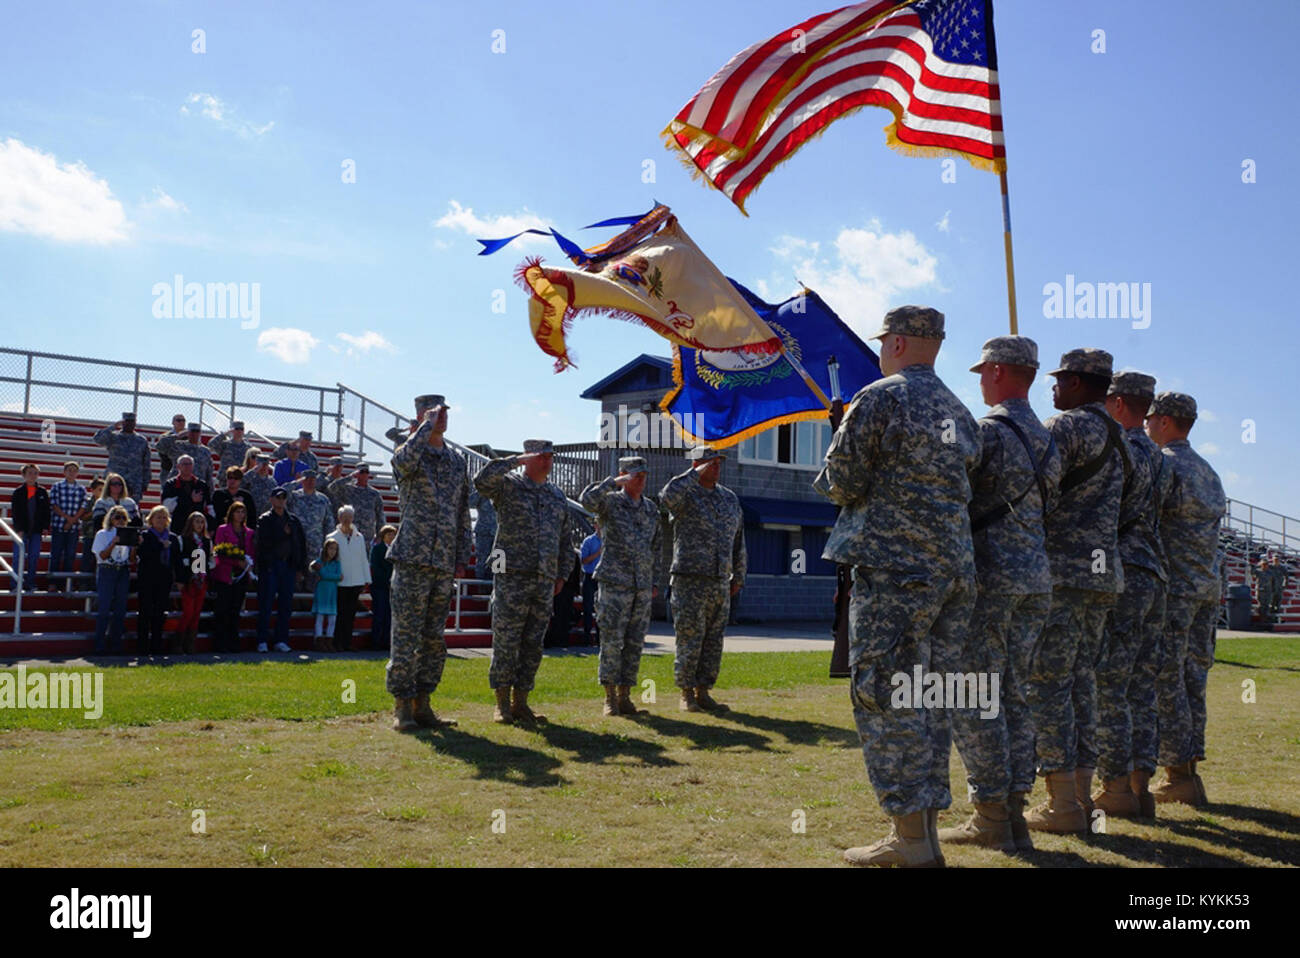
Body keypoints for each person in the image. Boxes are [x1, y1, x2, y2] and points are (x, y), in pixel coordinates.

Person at [813, 305, 978, 868]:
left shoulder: (880, 396)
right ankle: (920, 837)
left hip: (894, 569)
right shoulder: (960, 410)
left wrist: (841, 437)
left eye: (885, 341)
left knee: (887, 697)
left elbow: (843, 482)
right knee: (929, 698)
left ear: (901, 343)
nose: (881, 349)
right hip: (952, 573)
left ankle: (910, 841)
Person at [937, 337, 1059, 854]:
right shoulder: (1050, 440)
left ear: (1002, 372)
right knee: (1014, 695)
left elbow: (951, 488)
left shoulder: (987, 431)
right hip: (1035, 578)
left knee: (974, 693)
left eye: (984, 370)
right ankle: (1012, 810)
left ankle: (990, 813)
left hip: (989, 578)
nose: (979, 379)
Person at [1025, 348, 1127, 835]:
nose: (1054, 387)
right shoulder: (1119, 435)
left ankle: (1061, 804)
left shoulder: (1066, 428)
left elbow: (1033, 485)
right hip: (1102, 576)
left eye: (1062, 379)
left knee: (1048, 685)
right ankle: (1081, 798)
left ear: (1083, 383)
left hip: (1063, 573)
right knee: (1082, 685)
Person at [1093, 371, 1172, 819]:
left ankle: (1116, 787)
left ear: (1119, 404)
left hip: (1122, 569)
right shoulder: (1158, 455)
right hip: (1154, 571)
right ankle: (1140, 787)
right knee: (1141, 687)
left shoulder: (1118, 448)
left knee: (1111, 685)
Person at [1146, 391, 1226, 806]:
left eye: (1150, 418)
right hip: (1205, 591)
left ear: (1165, 421)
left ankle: (1177, 774)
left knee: (1166, 679)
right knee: (1193, 680)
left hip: (1174, 589)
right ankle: (1188, 772)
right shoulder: (1208, 471)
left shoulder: (1165, 466)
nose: (1145, 424)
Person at [387, 395, 471, 731]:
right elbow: (403, 462)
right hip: (411, 558)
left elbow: (462, 511)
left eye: (445, 412)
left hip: (442, 561)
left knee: (434, 638)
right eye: (435, 413)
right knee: (406, 635)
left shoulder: (455, 461)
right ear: (420, 417)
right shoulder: (410, 452)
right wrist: (422, 428)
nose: (442, 418)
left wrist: (462, 555)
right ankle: (402, 707)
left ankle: (424, 703)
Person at [475, 438, 572, 725]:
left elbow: (565, 539)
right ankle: (502, 703)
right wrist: (513, 462)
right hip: (511, 574)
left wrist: (562, 573)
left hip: (544, 578)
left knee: (533, 643)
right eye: (540, 457)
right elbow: (481, 481)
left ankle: (522, 702)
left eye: (549, 457)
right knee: (507, 640)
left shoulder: (557, 496)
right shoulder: (509, 485)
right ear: (527, 459)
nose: (547, 462)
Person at [661, 446, 745, 714]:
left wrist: (739, 575)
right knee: (689, 638)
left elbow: (738, 540)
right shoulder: (686, 493)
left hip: (719, 580)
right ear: (697, 464)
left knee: (713, 641)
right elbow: (666, 497)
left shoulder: (729, 499)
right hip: (690, 581)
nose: (716, 467)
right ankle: (686, 694)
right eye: (710, 463)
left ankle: (703, 691)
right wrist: (694, 473)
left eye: (719, 463)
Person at [581, 457, 662, 717]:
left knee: (635, 642)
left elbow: (656, 548)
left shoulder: (651, 509)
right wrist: (612, 483)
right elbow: (587, 500)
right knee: (612, 642)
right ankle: (609, 698)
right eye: (634, 475)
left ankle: (626, 697)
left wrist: (654, 581)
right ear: (623, 476)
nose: (640, 480)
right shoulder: (610, 501)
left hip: (641, 586)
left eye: (643, 475)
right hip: (616, 583)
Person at [255, 488, 304, 654]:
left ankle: (281, 640)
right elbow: (263, 543)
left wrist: (299, 567)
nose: (281, 500)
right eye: (278, 497)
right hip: (271, 566)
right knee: (266, 604)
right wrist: (283, 535)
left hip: (288, 566)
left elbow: (300, 544)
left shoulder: (294, 521)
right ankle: (262, 640)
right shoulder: (265, 519)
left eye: (284, 497)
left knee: (285, 605)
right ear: (271, 500)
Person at [136, 505, 184, 656]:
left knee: (160, 613)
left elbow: (177, 560)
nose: (161, 520)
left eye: (164, 517)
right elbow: (143, 555)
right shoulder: (145, 535)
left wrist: (180, 579)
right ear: (151, 519)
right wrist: (159, 546)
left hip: (165, 580)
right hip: (147, 579)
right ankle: (142, 647)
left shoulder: (173, 538)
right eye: (158, 517)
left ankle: (156, 646)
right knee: (145, 613)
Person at [214, 501, 259, 653]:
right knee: (223, 609)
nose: (240, 515)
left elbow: (251, 552)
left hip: (242, 575)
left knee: (235, 609)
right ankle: (220, 642)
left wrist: (248, 565)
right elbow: (219, 551)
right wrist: (236, 562)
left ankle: (233, 642)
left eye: (242, 512)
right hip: (225, 573)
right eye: (237, 511)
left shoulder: (249, 532)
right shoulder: (223, 529)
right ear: (231, 513)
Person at [92, 506, 136, 654]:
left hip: (122, 570)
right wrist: (113, 543)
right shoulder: (102, 534)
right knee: (104, 609)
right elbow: (102, 556)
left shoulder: (128, 534)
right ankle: (99, 645)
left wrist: (135, 546)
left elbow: (131, 560)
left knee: (120, 610)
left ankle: (116, 644)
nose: (121, 521)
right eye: (117, 517)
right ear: (110, 518)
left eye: (124, 517)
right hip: (107, 570)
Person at [327, 504, 371, 652]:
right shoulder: (331, 537)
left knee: (350, 615)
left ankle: (347, 643)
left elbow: (364, 559)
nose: (347, 520)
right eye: (344, 517)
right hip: (339, 581)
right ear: (339, 518)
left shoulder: (359, 537)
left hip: (356, 581)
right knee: (339, 614)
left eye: (349, 517)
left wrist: (366, 579)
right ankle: (337, 642)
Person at [321, 461, 386, 548]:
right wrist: (350, 477)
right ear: (357, 473)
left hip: (367, 536)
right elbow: (332, 488)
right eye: (361, 472)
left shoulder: (374, 493)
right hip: (349, 534)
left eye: (366, 472)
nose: (364, 474)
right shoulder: (348, 489)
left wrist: (379, 535)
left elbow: (380, 516)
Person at [92, 413, 151, 507]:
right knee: (109, 508)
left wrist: (145, 483)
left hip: (134, 481)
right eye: (127, 421)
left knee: (131, 511)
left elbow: (146, 463)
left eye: (132, 422)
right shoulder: (114, 436)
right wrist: (113, 426)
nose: (130, 424)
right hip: (114, 481)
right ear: (122, 422)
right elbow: (97, 439)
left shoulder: (141, 440)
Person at [289, 470, 334, 591]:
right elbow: (280, 491)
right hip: (296, 545)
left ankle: (311, 607)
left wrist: (328, 546)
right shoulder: (294, 496)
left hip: (315, 546)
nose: (310, 482)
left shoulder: (323, 499)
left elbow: (329, 524)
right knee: (295, 581)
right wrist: (296, 482)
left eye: (312, 480)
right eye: (307, 479)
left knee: (314, 581)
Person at [9, 464, 50, 592]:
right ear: (24, 475)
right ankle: (15, 584)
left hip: (36, 531)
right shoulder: (18, 492)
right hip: (22, 531)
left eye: (35, 473)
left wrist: (45, 527)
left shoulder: (42, 492)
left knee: (34, 557)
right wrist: (19, 529)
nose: (32, 476)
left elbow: (46, 512)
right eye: (30, 473)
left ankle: (30, 582)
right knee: (18, 557)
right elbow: (15, 513)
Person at [48, 461, 88, 590]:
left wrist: (72, 520)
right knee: (56, 554)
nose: (71, 472)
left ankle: (66, 583)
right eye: (69, 470)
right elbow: (54, 505)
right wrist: (67, 519)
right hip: (59, 525)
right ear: (64, 472)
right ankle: (53, 582)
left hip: (74, 527)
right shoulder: (57, 486)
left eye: (74, 470)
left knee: (70, 555)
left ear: (77, 473)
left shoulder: (81, 489)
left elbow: (83, 506)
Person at [176, 512, 211, 654]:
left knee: (197, 613)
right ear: (191, 523)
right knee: (188, 612)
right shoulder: (183, 539)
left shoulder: (207, 542)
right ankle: (178, 642)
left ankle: (190, 643)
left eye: (202, 522)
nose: (199, 525)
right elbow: (179, 561)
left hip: (201, 581)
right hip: (188, 580)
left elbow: (209, 561)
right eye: (196, 521)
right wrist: (180, 580)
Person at [162, 455, 213, 534]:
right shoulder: (171, 484)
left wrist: (210, 526)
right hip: (178, 525)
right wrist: (190, 499)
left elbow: (209, 507)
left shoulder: (201, 485)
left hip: (198, 527)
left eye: (189, 464)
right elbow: (167, 506)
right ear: (178, 466)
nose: (187, 467)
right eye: (184, 464)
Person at [369, 524, 397, 651]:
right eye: (389, 534)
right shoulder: (377, 549)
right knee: (379, 614)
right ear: (383, 535)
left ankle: (386, 642)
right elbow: (375, 567)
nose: (391, 537)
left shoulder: (396, 550)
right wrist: (387, 579)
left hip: (392, 587)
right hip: (380, 586)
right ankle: (375, 642)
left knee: (389, 616)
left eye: (393, 535)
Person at [310, 539, 342, 651]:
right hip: (322, 592)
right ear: (325, 549)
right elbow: (324, 575)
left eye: (335, 549)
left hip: (332, 593)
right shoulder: (319, 562)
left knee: (332, 619)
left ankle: (329, 641)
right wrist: (332, 576)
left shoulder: (337, 563)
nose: (332, 551)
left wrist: (330, 575)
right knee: (320, 618)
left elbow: (339, 576)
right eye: (330, 548)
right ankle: (318, 641)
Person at [167, 423, 214, 488]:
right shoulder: (179, 446)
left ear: (200, 433)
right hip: (178, 486)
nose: (194, 434)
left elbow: (209, 474)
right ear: (187, 432)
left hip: (198, 487)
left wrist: (210, 493)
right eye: (192, 431)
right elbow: (160, 446)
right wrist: (178, 435)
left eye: (197, 431)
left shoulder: (205, 451)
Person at [212, 466, 258, 531]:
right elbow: (217, 514)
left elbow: (252, 517)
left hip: (242, 533)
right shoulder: (218, 494)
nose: (232, 480)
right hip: (223, 532)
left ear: (240, 480)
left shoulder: (246, 496)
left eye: (236, 478)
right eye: (230, 478)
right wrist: (232, 502)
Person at [579, 521, 602, 644]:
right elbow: (584, 560)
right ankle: (587, 636)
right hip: (590, 577)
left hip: (602, 579)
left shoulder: (610, 541)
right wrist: (597, 553)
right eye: (598, 524)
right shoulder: (588, 541)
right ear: (595, 525)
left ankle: (600, 638)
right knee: (588, 608)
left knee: (602, 609)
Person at [79, 477, 105, 583]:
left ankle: (94, 583)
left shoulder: (106, 502)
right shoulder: (88, 502)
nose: (102, 492)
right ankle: (83, 583)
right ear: (93, 490)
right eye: (99, 489)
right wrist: (94, 511)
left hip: (100, 536)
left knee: (97, 561)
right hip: (89, 534)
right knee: (87, 560)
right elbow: (83, 517)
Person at [470, 486, 498, 579]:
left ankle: (496, 587)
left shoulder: (505, 489)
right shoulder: (482, 491)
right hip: (484, 533)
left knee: (498, 562)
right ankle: (481, 587)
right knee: (482, 561)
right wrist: (482, 491)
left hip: (500, 533)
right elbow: (470, 502)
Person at [154, 414, 190, 479]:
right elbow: (161, 450)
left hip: (185, 472)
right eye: (178, 420)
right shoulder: (165, 436)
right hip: (168, 470)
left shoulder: (189, 437)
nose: (181, 422)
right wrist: (177, 436)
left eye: (183, 420)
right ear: (173, 422)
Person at [242, 453, 277, 519]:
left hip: (266, 517)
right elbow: (241, 482)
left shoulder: (272, 481)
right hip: (251, 514)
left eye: (265, 465)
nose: (263, 467)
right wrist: (254, 470)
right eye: (261, 465)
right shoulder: (250, 478)